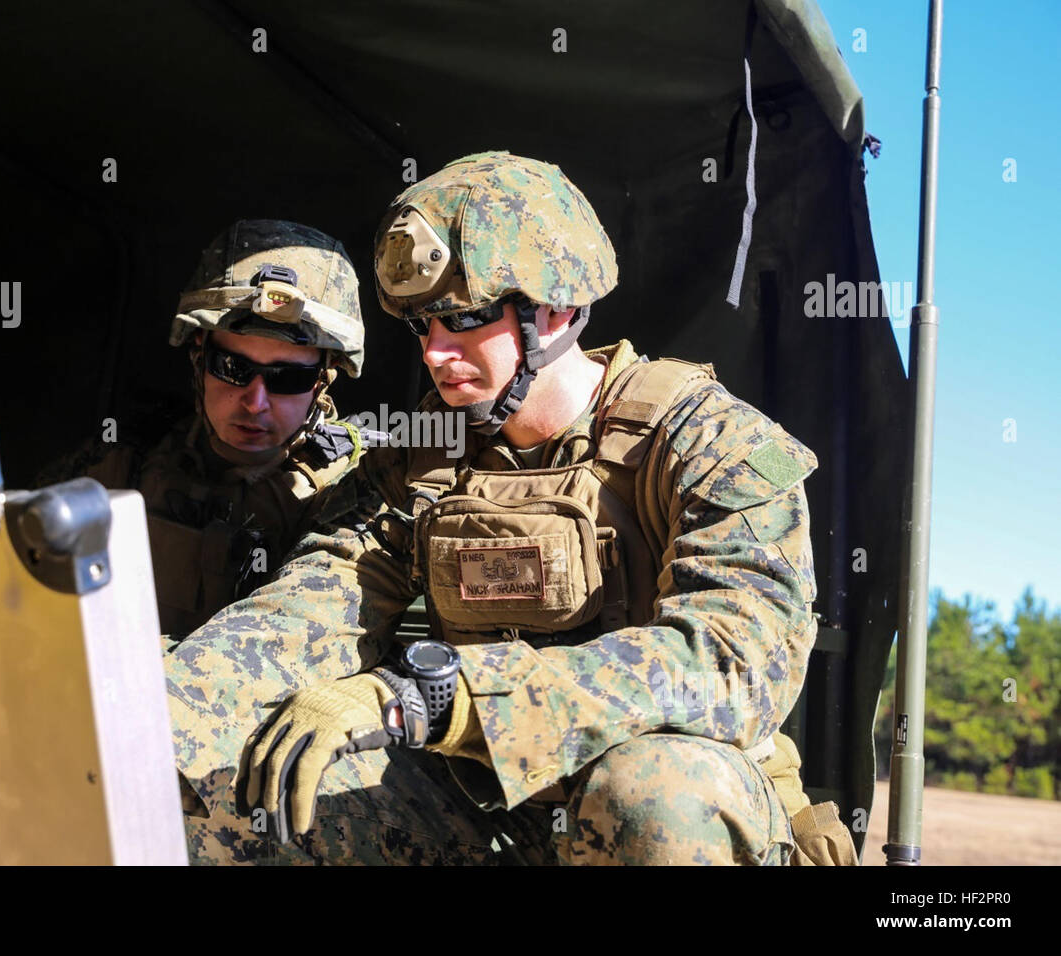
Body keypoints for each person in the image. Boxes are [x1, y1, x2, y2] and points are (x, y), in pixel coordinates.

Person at [166, 152, 858, 865]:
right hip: (491, 811)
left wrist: (439, 696)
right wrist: (158, 713)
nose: (436, 354)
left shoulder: (710, 441)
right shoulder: (422, 457)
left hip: (668, 818)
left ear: (554, 308)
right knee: (245, 781)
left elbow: (730, 665)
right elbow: (312, 607)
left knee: (649, 790)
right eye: (422, 327)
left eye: (462, 319)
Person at [36, 219, 368, 637]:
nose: (255, 401)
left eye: (288, 379)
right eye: (233, 368)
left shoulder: (361, 493)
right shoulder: (126, 461)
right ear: (199, 359)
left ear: (324, 378)